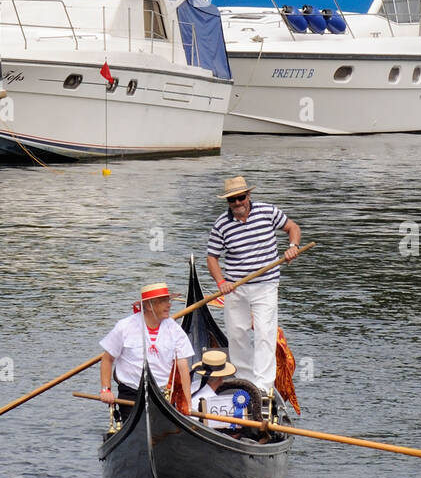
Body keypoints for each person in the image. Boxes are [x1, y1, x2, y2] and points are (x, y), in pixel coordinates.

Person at [206, 174, 300, 411]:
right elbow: (212, 258)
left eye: (241, 197)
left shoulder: (268, 212)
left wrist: (292, 247)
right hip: (235, 288)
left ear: (249, 196)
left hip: (266, 285)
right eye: (232, 200)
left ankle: (263, 388)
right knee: (237, 335)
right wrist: (221, 282)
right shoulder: (221, 224)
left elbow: (292, 228)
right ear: (228, 202)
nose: (237, 203)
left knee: (265, 334)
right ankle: (245, 384)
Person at [100, 281, 193, 411]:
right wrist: (106, 389)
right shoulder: (124, 327)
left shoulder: (174, 329)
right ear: (149, 306)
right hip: (131, 394)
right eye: (163, 301)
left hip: (164, 395)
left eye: (168, 300)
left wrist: (187, 404)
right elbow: (107, 359)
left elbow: (183, 368)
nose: (169, 305)